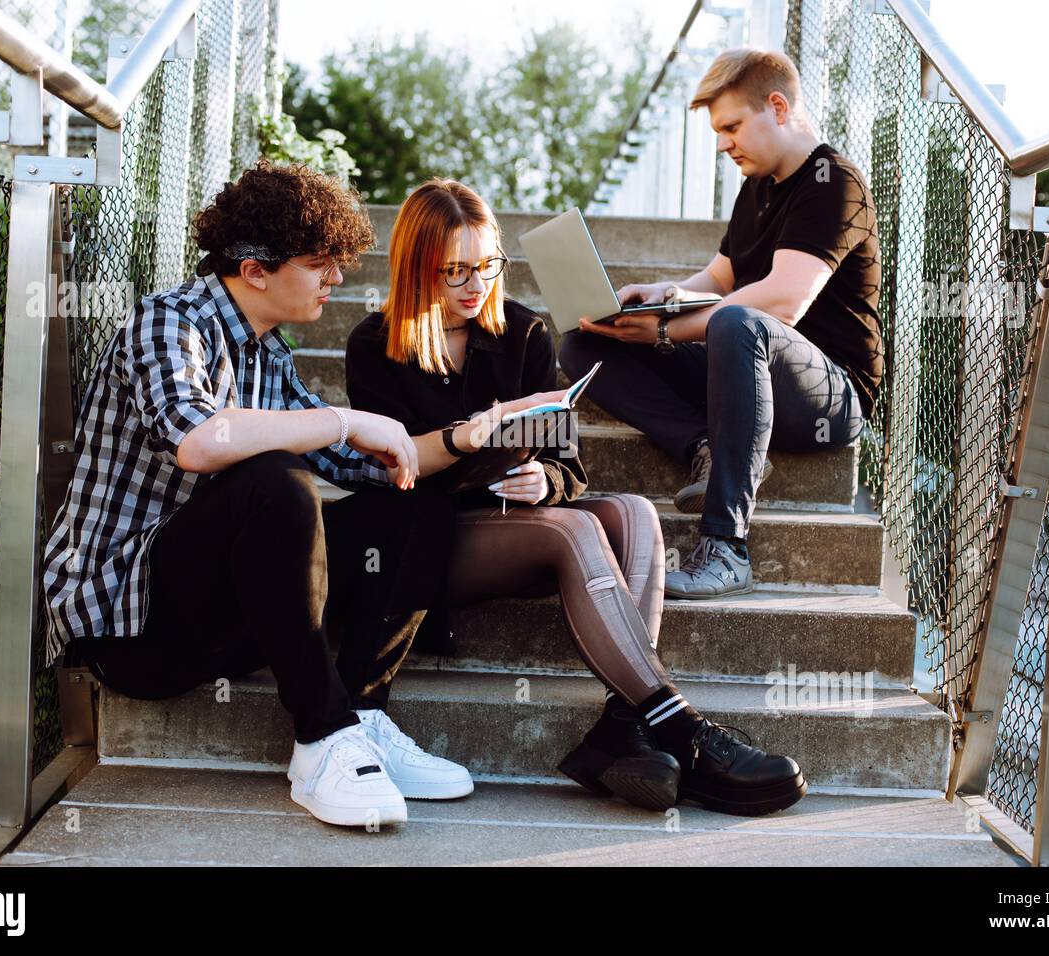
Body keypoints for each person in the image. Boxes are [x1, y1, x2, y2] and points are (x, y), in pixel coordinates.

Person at [345, 178, 808, 817]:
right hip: (428, 540)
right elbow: (386, 475)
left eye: (487, 265)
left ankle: (625, 726)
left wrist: (546, 482)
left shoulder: (522, 334)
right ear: (415, 268)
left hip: (520, 521)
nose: (475, 285)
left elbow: (570, 467)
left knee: (631, 512)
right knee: (573, 532)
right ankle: (680, 727)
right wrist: (480, 443)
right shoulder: (374, 344)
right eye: (455, 270)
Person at [42, 160, 474, 830]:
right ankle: (322, 738)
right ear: (255, 271)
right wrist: (346, 418)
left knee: (410, 505)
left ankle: (361, 712)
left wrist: (475, 434)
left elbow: (365, 462)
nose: (338, 277)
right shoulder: (168, 323)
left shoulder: (265, 353)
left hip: (224, 619)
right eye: (320, 262)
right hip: (132, 627)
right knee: (274, 483)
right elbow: (198, 439)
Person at [560, 48, 881, 600]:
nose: (722, 143)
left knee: (738, 324)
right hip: (744, 375)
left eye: (732, 126)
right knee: (583, 343)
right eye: (718, 130)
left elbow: (780, 302)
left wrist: (666, 332)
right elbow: (720, 277)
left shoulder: (835, 181)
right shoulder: (757, 184)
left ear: (776, 107)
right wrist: (662, 298)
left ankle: (726, 548)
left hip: (829, 395)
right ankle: (707, 444)